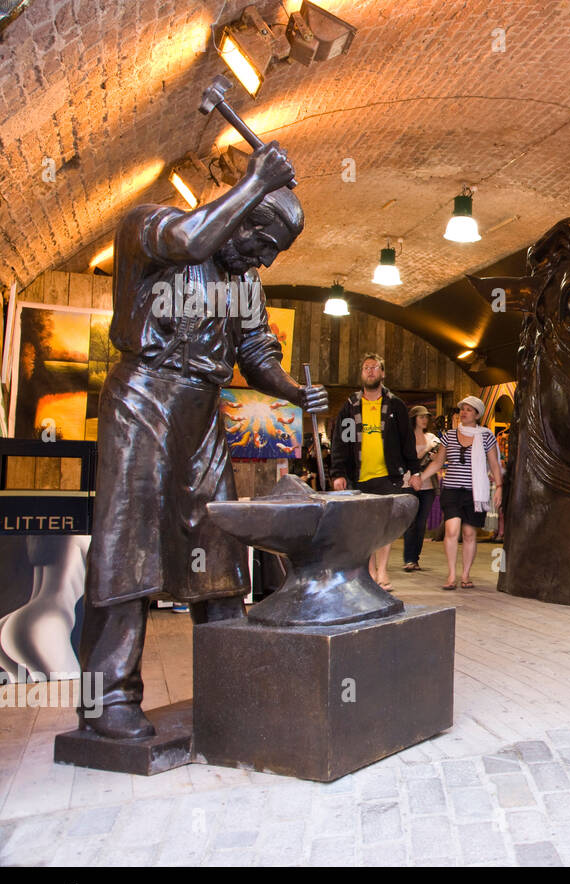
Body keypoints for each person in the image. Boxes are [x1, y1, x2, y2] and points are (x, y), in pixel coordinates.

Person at [79, 141, 329, 740]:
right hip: (144, 398)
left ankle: (228, 683)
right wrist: (254, 180)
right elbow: (193, 239)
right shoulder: (151, 226)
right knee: (127, 541)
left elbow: (256, 351)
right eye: (263, 244)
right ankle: (107, 697)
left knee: (216, 545)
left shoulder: (242, 280)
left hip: (201, 415)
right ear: (243, 215)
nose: (264, 261)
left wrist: (294, 390)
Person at [329, 353, 422, 591]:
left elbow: (406, 440)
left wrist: (415, 470)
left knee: (383, 526)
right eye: (366, 367)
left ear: (383, 373)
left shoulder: (395, 405)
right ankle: (368, 573)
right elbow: (340, 441)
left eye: (375, 367)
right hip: (358, 475)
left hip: (386, 475)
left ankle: (382, 572)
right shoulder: (351, 406)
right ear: (361, 374)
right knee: (363, 528)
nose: (370, 371)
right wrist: (338, 472)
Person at [418, 396, 503, 590]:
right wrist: (421, 478)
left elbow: (494, 464)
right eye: (461, 409)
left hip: (475, 492)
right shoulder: (449, 435)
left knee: (469, 533)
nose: (463, 413)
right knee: (452, 530)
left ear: (477, 414)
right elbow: (438, 462)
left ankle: (465, 575)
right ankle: (451, 575)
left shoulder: (486, 436)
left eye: (468, 410)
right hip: (452, 489)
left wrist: (499, 487)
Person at [401, 405, 441, 571]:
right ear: (414, 419)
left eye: (426, 417)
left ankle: (415, 558)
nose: (424, 420)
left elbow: (440, 458)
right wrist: (426, 449)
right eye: (421, 417)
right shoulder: (406, 437)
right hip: (408, 483)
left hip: (428, 485)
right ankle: (408, 558)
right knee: (410, 522)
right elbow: (409, 459)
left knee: (421, 522)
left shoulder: (432, 437)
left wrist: (434, 454)